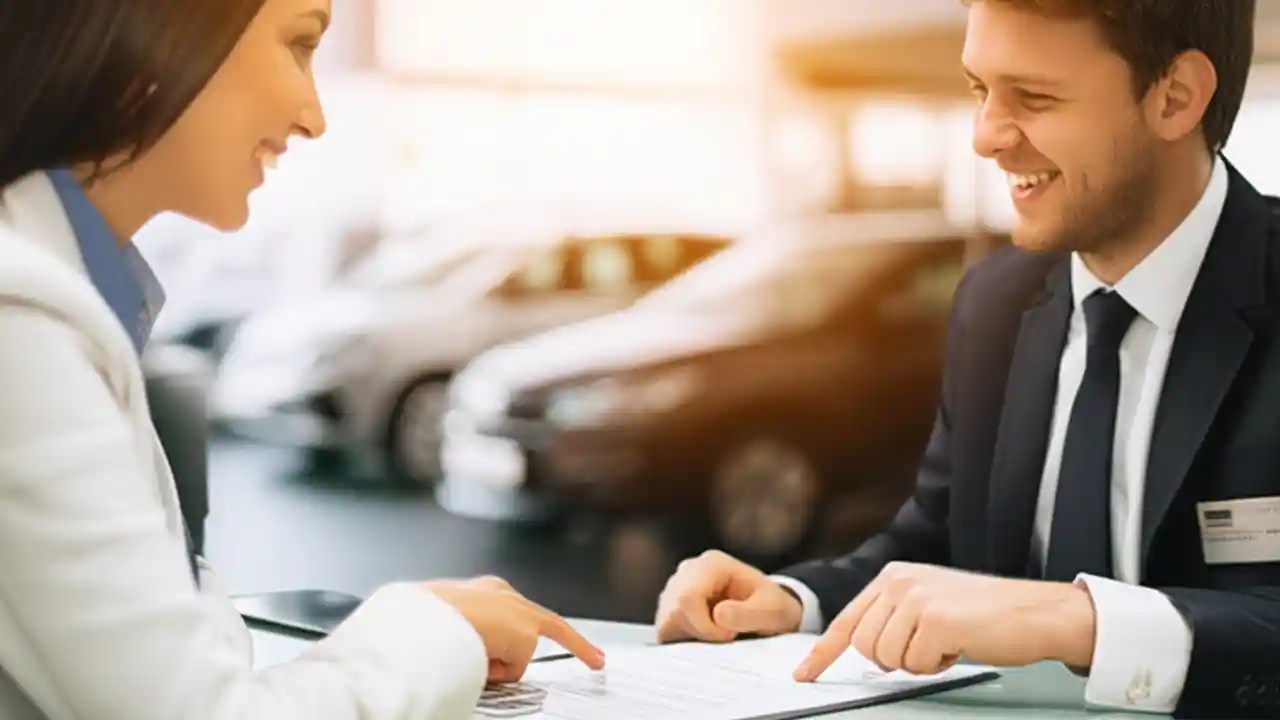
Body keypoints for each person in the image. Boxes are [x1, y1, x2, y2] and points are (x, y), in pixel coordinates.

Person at [657, 1, 1280, 717]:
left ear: (1175, 99)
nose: (986, 138)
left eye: (1035, 98)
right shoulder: (995, 304)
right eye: (980, 90)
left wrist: (1081, 619)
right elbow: (940, 539)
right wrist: (792, 600)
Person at [0, 1, 603, 718]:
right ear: (165, 28)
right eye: (299, 44)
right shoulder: (23, 321)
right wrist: (434, 631)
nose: (313, 115)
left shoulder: (61, 302)